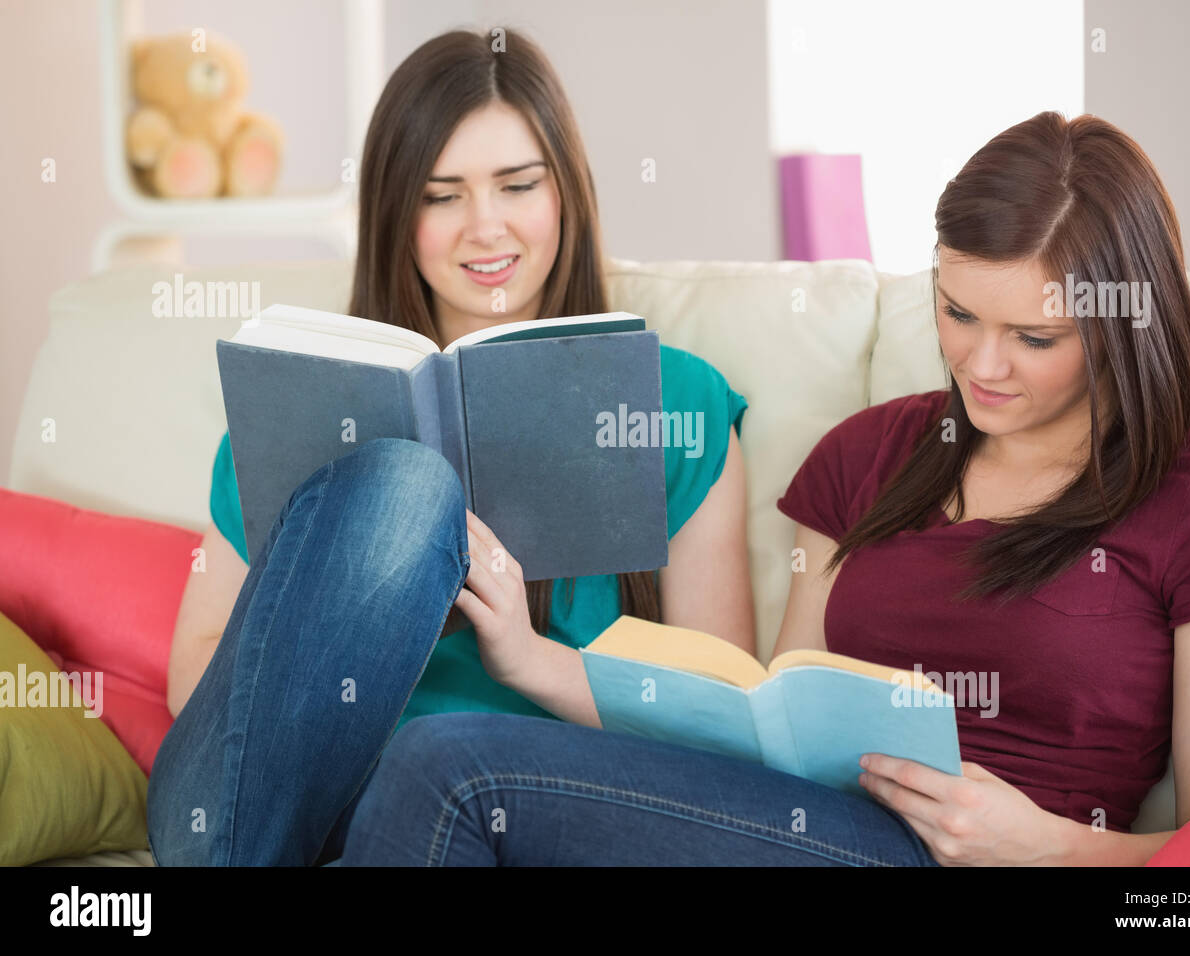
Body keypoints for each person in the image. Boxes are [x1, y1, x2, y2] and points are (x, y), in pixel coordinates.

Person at [336, 111, 1190, 867]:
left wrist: (1048, 848)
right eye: (957, 313)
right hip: (791, 827)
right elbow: (761, 718)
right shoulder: (871, 455)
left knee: (449, 770)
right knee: (440, 761)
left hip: (982, 859)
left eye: (1034, 338)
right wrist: (530, 658)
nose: (981, 364)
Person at [147, 28, 754, 867]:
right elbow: (196, 677)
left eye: (518, 185)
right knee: (400, 482)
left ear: (566, 194)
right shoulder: (300, 404)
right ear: (397, 214)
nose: (485, 227)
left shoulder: (675, 403)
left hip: (514, 807)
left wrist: (530, 662)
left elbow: (722, 714)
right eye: (442, 196)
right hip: (295, 805)